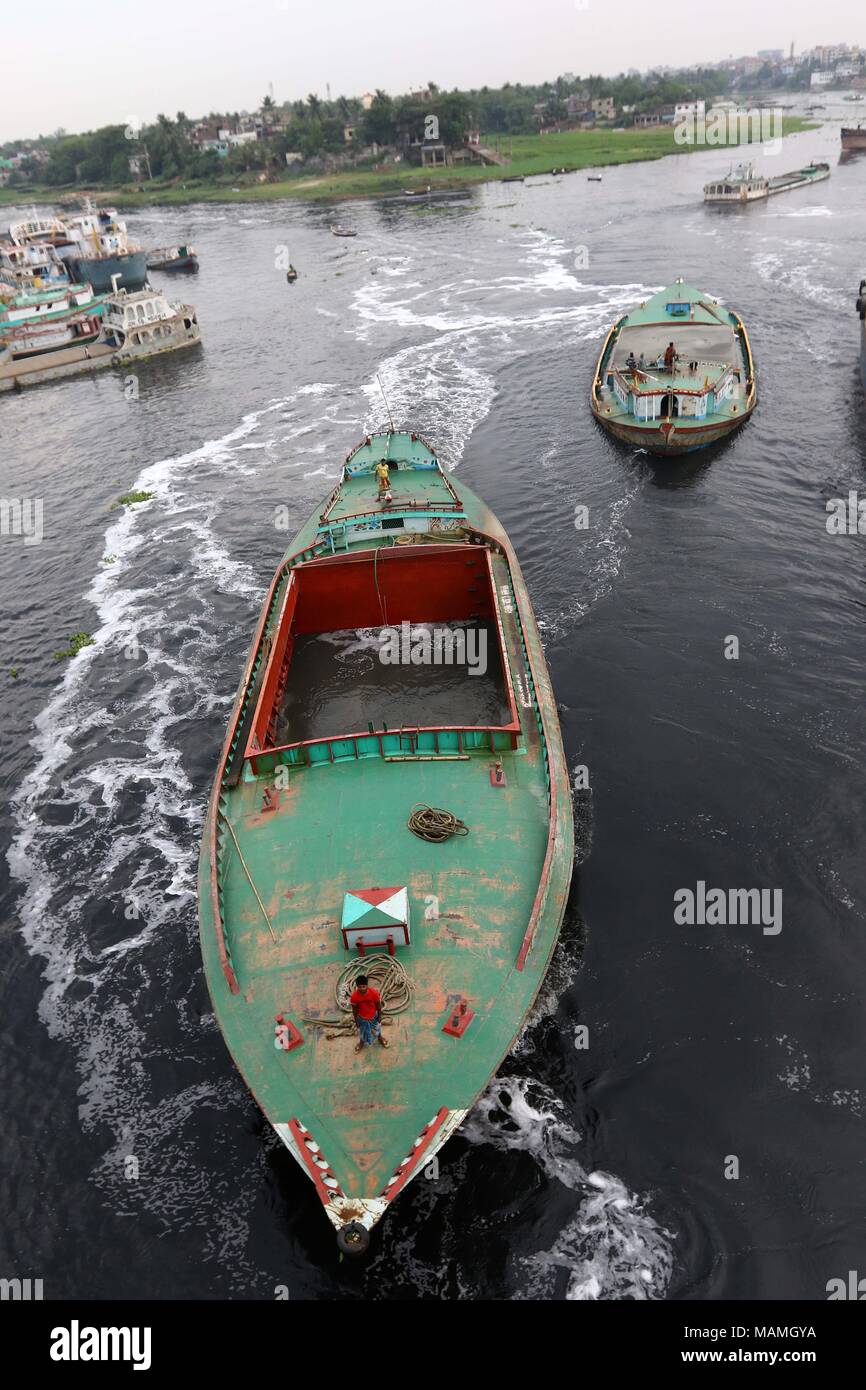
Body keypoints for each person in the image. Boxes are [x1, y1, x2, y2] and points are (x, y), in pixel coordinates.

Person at [351, 974, 388, 1052]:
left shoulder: (374, 993)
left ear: (367, 985)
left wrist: (380, 1016)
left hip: (373, 1016)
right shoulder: (354, 996)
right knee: (362, 1031)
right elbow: (354, 1010)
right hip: (362, 1018)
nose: (362, 989)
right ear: (357, 987)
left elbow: (378, 1005)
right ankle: (361, 1043)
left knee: (377, 1028)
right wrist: (356, 1020)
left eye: (364, 986)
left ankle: (380, 1038)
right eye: (360, 987)